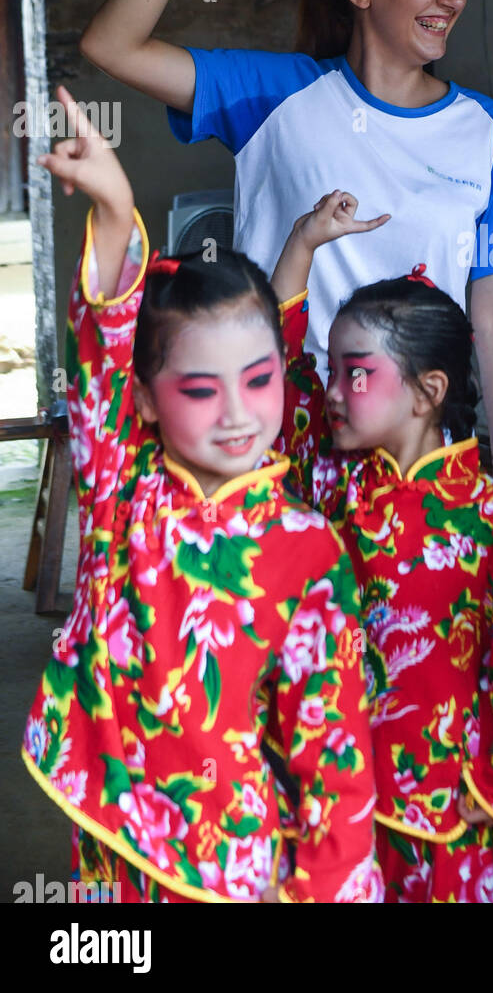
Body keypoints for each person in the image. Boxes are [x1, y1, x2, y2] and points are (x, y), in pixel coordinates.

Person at [78, 0, 493, 490]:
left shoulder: (488, 130)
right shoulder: (272, 95)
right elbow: (110, 45)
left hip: (421, 457)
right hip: (277, 443)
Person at [21, 89, 381, 904]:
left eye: (259, 381)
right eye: (198, 389)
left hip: (237, 865)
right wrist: (115, 209)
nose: (235, 414)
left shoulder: (308, 548)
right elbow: (102, 346)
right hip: (114, 847)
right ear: (144, 399)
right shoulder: (125, 495)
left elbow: (333, 755)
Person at [269, 189, 493, 903]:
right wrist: (302, 246)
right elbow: (281, 375)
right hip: (329, 800)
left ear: (428, 390)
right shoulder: (329, 477)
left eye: (358, 372)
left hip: (444, 815)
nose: (336, 390)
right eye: (333, 370)